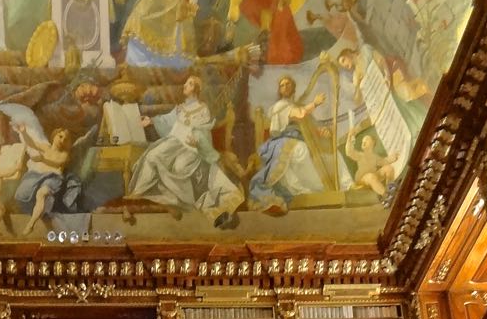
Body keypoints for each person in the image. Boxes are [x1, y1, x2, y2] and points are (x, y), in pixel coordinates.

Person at [127, 76, 243, 228]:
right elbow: (166, 120)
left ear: (195, 88)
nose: (184, 85)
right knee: (152, 156)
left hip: (191, 147)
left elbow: (204, 131)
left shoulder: (203, 109)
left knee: (180, 167)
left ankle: (175, 201)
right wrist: (151, 121)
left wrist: (197, 141)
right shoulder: (179, 108)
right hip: (174, 142)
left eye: (189, 84)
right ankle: (137, 194)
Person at [248, 75, 348, 213]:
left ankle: (346, 185)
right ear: (280, 91)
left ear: (293, 87)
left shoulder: (298, 105)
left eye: (288, 84)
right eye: (282, 85)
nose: (285, 87)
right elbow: (300, 114)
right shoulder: (281, 106)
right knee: (300, 150)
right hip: (283, 141)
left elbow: (313, 126)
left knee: (333, 154)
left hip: (305, 140)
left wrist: (324, 131)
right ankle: (306, 190)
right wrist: (315, 103)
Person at [14, 126, 84, 236]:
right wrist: (24, 133)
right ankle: (38, 216)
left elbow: (57, 164)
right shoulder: (46, 148)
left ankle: (31, 224)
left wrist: (42, 159)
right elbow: (32, 143)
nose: (62, 140)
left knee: (42, 193)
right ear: (54, 135)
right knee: (24, 193)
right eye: (60, 136)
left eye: (65, 139)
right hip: (39, 176)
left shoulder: (65, 155)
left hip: (53, 179)